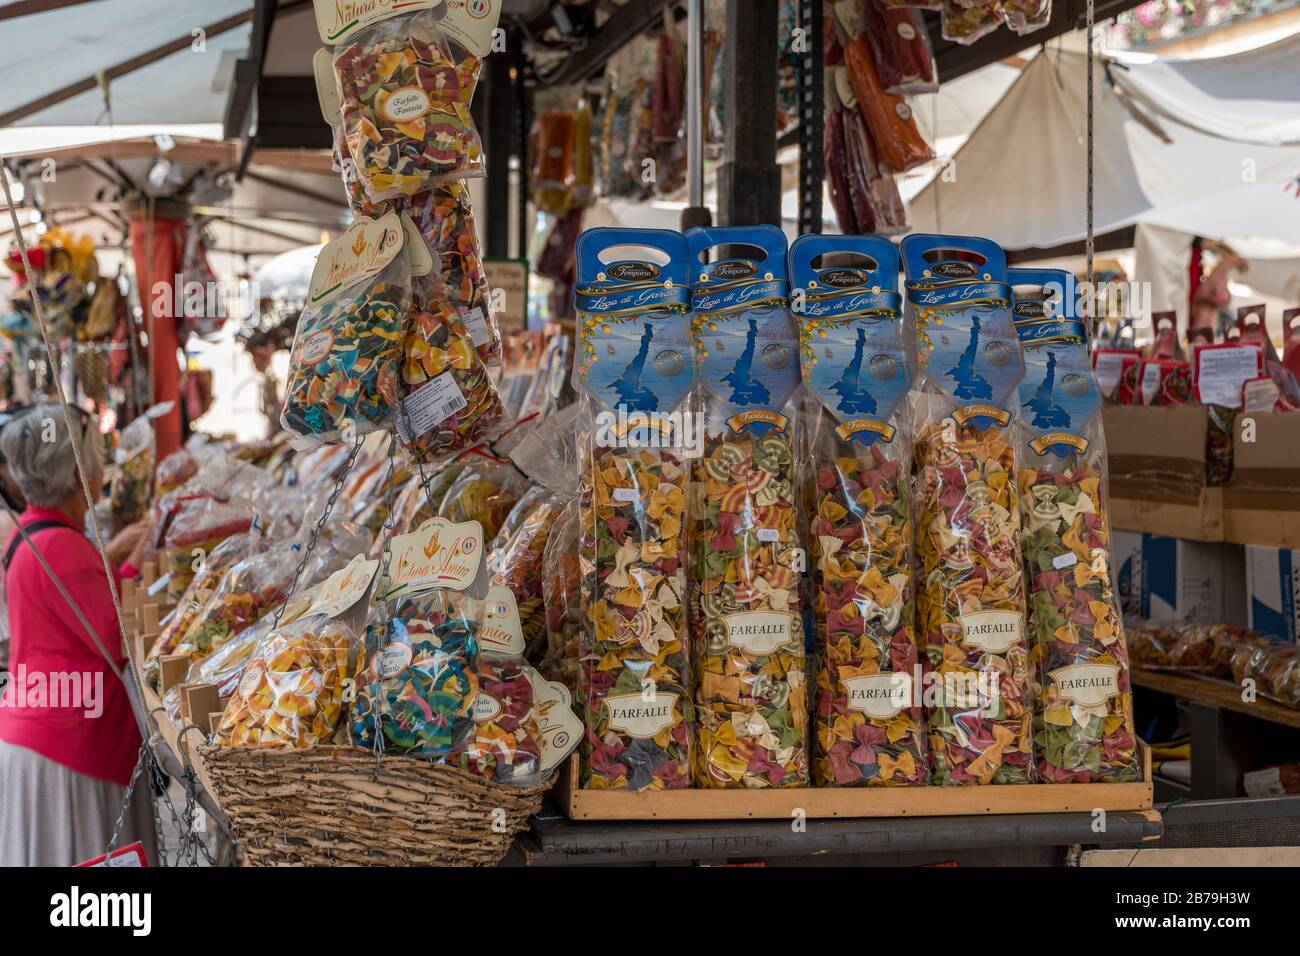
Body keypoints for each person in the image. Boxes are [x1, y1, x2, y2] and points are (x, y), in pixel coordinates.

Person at [0, 403, 157, 866]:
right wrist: (137, 564)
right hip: (67, 752)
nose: (101, 460)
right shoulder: (61, 546)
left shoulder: (34, 535)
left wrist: (116, 560)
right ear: (73, 474)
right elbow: (115, 638)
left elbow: (74, 611)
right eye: (91, 451)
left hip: (43, 739)